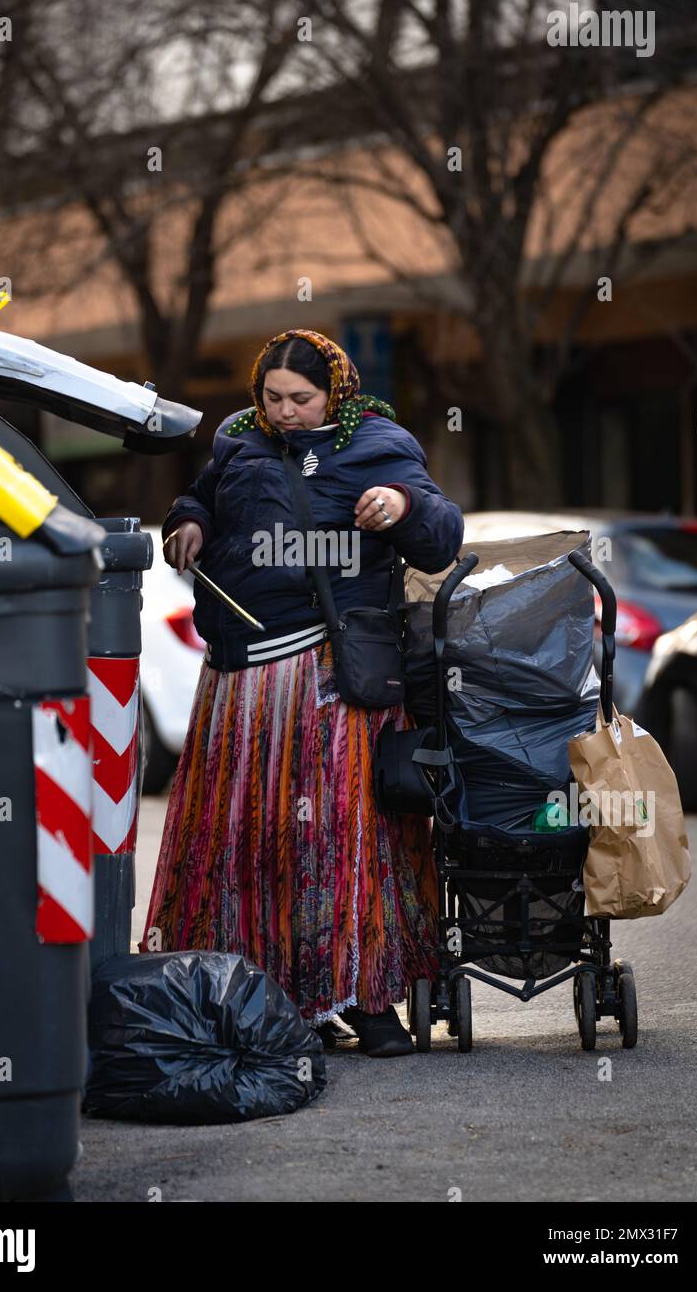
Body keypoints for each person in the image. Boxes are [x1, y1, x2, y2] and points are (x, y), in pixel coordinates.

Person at [141, 328, 463, 1057]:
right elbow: (198, 498)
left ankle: (367, 998)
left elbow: (442, 535)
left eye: (301, 400)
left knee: (336, 839)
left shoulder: (380, 443)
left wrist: (400, 506)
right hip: (240, 678)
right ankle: (267, 1001)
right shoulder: (236, 441)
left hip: (327, 677)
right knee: (248, 844)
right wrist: (186, 524)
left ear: (336, 395)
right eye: (272, 397)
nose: (284, 412)